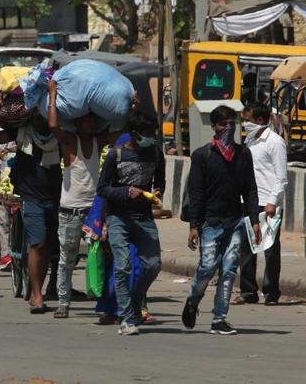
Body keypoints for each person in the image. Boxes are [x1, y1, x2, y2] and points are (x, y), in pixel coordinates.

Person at [182, 105, 260, 336]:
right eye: (223, 124)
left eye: (231, 124)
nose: (228, 128)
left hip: (235, 220)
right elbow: (196, 193)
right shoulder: (202, 155)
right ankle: (193, 301)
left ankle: (219, 318)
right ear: (213, 127)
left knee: (228, 271)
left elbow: (250, 188)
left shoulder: (243, 154)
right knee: (207, 267)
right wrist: (194, 225)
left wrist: (254, 220)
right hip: (209, 222)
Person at [47, 79, 120, 318]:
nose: (90, 123)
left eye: (93, 120)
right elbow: (53, 125)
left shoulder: (98, 142)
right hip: (69, 211)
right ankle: (63, 303)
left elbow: (120, 131)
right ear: (77, 122)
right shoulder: (70, 142)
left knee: (101, 256)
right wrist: (53, 95)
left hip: (94, 210)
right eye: (85, 119)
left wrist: (131, 107)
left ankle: (104, 302)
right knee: (66, 259)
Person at [0, 96, 62, 313]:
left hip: (56, 195)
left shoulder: (60, 133)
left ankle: (51, 284)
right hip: (31, 196)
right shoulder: (21, 131)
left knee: (50, 246)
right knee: (37, 244)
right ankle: (37, 295)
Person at [97, 111, 165, 335]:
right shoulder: (115, 155)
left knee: (153, 264)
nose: (149, 137)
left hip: (144, 217)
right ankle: (126, 317)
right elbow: (103, 189)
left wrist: (155, 194)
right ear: (134, 134)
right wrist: (127, 191)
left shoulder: (156, 154)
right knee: (123, 266)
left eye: (152, 133)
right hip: (118, 218)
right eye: (146, 133)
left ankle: (137, 299)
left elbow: (160, 181)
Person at [236, 102, 287, 306]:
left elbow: (281, 177)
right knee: (247, 247)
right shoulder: (250, 140)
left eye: (247, 120)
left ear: (259, 120)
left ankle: (271, 291)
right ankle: (248, 290)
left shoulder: (275, 142)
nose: (244, 124)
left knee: (270, 248)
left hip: (268, 201)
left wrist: (272, 202)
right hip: (249, 200)